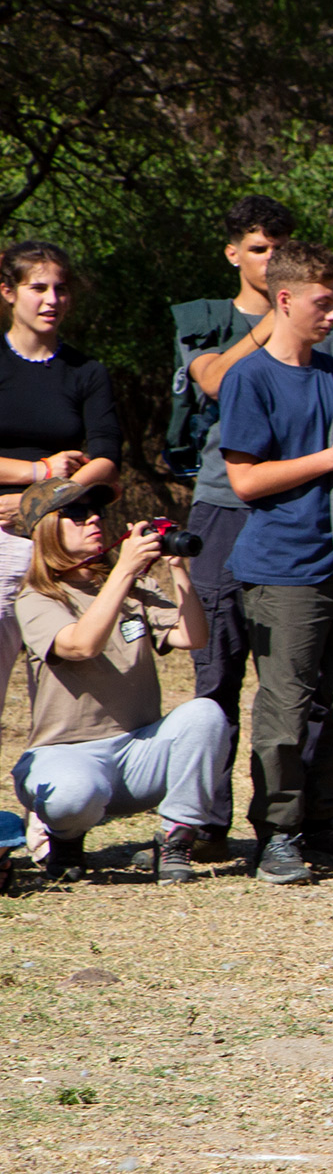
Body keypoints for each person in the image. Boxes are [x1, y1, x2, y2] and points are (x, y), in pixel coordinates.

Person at [219, 240, 333, 885]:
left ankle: (325, 820)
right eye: (324, 304)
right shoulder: (250, 377)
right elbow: (244, 481)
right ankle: (277, 833)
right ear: (286, 298)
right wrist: (329, 460)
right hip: (279, 570)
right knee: (286, 709)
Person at [168, 197, 333, 862]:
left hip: (297, 515)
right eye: (258, 248)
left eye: (279, 249)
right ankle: (204, 820)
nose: (269, 260)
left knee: (294, 675)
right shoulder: (214, 323)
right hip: (223, 504)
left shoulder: (318, 317)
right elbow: (208, 380)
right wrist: (272, 321)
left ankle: (293, 817)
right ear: (234, 254)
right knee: (218, 664)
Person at [10, 478, 225, 884]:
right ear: (45, 531)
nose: (93, 519)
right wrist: (123, 571)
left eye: (98, 513)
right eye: (75, 514)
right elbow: (81, 645)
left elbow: (193, 637)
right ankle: (66, 838)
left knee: (205, 714)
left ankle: (175, 837)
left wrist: (178, 569)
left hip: (135, 755)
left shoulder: (135, 587)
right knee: (74, 794)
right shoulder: (38, 598)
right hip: (67, 757)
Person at [1, 240, 124, 867]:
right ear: (9, 292)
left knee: (61, 687)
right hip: (0, 547)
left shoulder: (86, 371)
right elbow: (59, 462)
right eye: (38, 288)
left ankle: (52, 828)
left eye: (61, 289)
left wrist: (51, 498)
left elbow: (106, 452)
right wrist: (41, 469)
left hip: (61, 544)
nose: (52, 300)